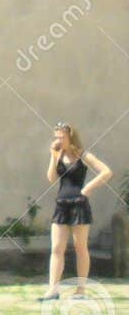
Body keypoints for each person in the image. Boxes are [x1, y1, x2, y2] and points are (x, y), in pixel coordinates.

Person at [41, 123, 114, 301]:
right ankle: (53, 290)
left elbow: (106, 172)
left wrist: (88, 188)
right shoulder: (58, 155)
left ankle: (81, 290)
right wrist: (53, 156)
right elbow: (52, 178)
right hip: (61, 204)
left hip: (79, 204)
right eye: (56, 137)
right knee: (56, 248)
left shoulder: (83, 154)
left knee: (80, 247)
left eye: (61, 137)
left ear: (70, 137)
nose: (58, 140)